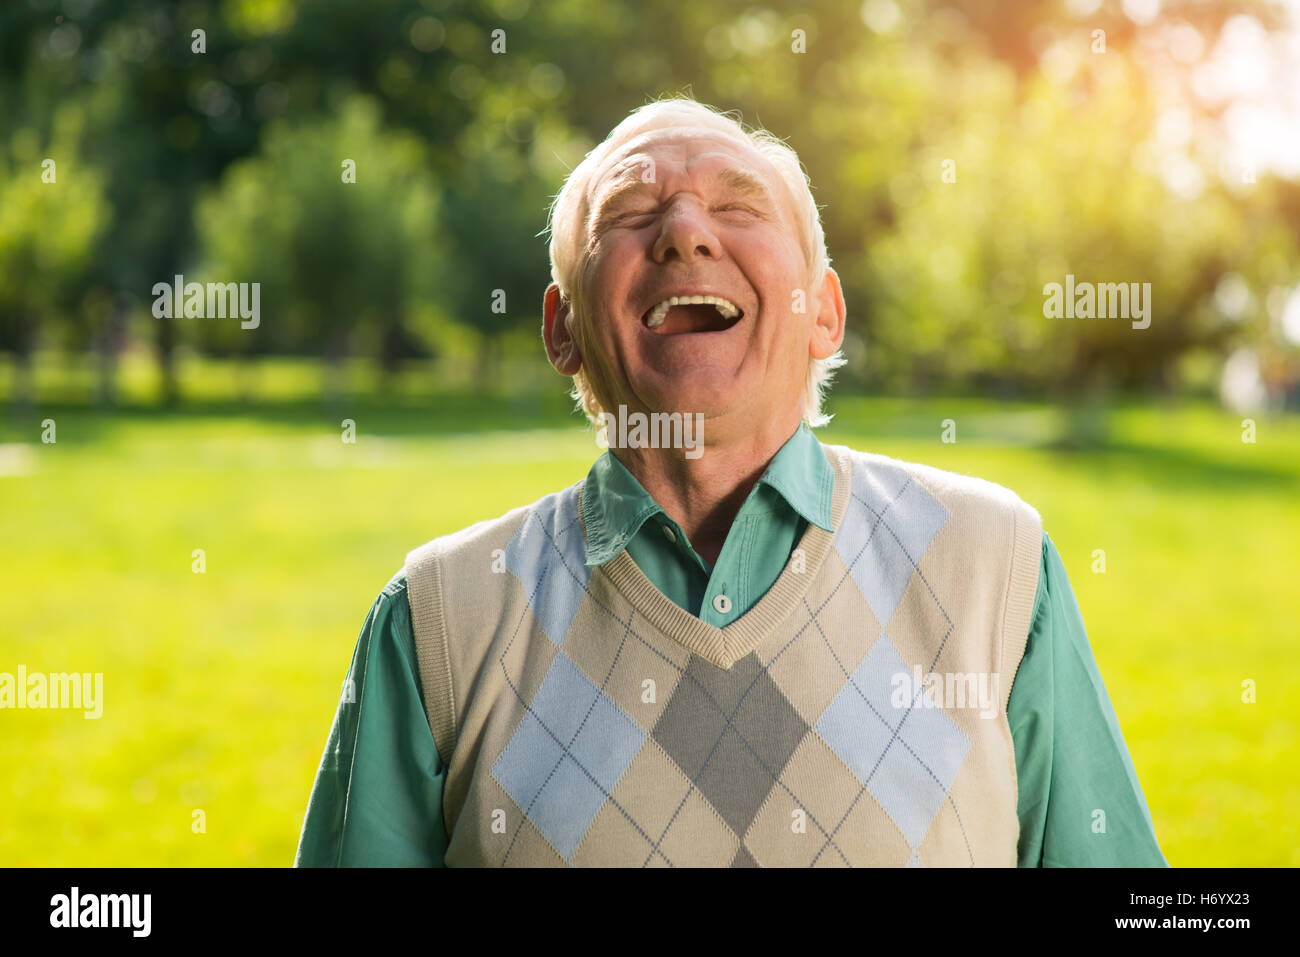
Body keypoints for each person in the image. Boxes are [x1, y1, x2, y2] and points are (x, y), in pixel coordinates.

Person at [295, 96, 1167, 867]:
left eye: (737, 203)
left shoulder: (997, 565)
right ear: (561, 330)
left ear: (822, 311)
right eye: (630, 210)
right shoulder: (436, 618)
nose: (683, 230)